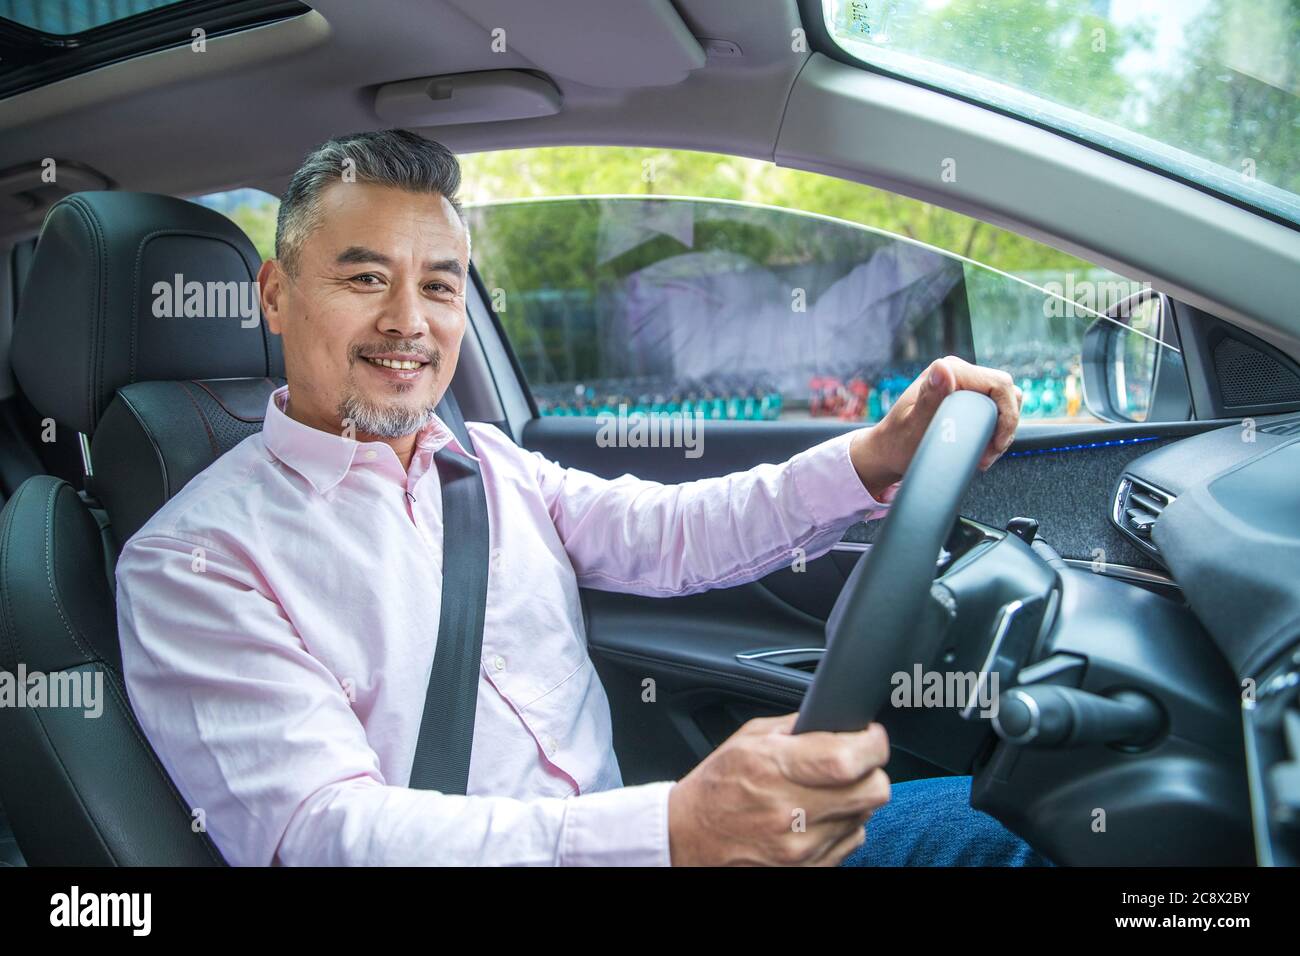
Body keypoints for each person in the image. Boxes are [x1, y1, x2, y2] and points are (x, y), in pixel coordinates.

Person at [116, 129, 1043, 866]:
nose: (409, 321)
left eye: (439, 286)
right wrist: (672, 831)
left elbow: (674, 531)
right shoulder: (194, 563)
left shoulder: (485, 464)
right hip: (648, 845)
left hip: (646, 843)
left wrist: (877, 455)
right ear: (275, 295)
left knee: (1018, 817)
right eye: (365, 278)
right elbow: (325, 836)